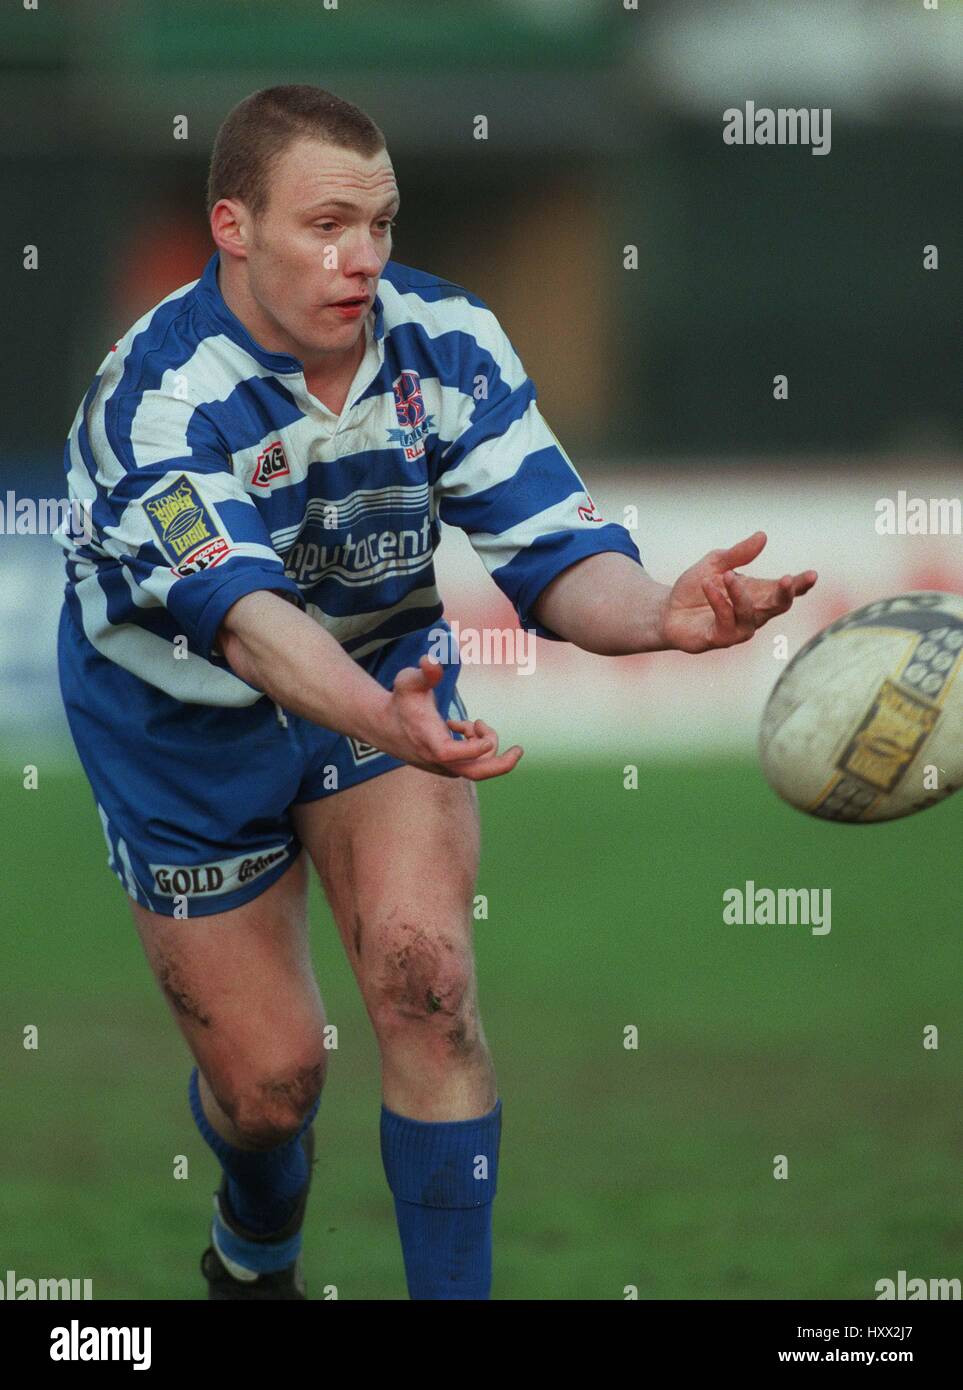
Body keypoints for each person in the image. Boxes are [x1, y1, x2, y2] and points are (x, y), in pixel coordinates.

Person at [54, 84, 816, 1300]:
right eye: (327, 224)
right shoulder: (157, 397)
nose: (364, 257)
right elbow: (249, 628)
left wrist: (661, 615)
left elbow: (558, 555)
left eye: (384, 223)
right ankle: (254, 1251)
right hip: (180, 728)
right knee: (271, 1089)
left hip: (376, 673)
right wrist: (383, 715)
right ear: (233, 227)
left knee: (427, 981)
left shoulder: (446, 339)